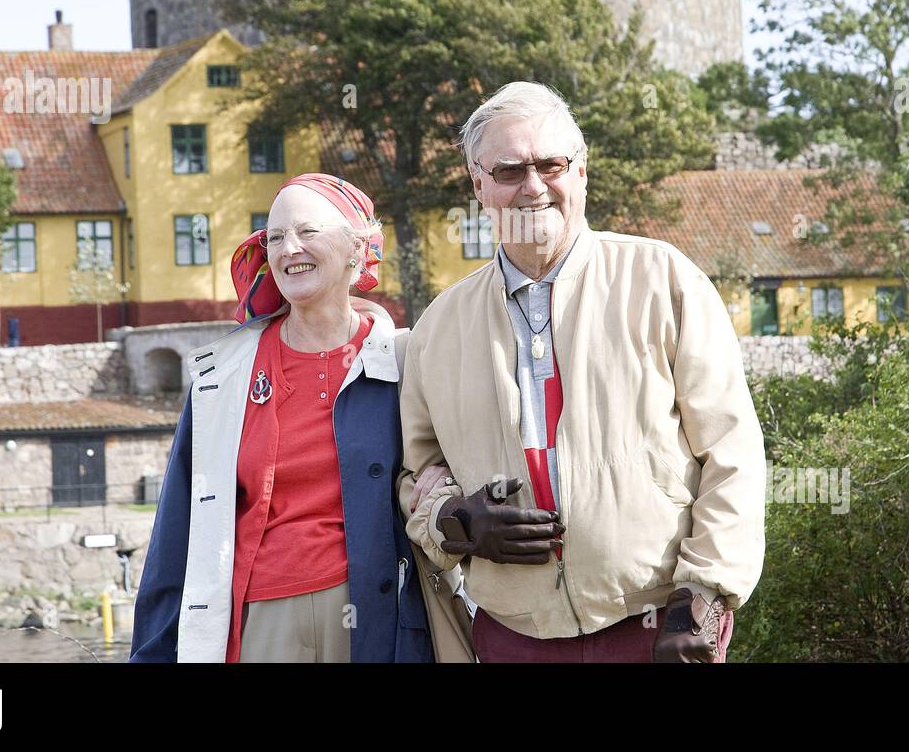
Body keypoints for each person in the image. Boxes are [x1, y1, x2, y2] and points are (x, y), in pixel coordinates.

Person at [399, 82, 766, 663]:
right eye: (509, 170)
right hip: (511, 636)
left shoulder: (664, 280)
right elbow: (416, 474)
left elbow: (732, 451)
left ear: (583, 171)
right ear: (477, 184)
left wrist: (705, 592)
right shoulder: (436, 329)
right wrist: (455, 519)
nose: (533, 186)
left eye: (551, 164)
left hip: (655, 625)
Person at [131, 173, 447, 662]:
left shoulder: (406, 360)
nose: (288, 248)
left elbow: (448, 455)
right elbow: (178, 528)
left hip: (376, 613)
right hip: (260, 619)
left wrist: (445, 470)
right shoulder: (223, 375)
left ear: (356, 249)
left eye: (308, 231)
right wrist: (152, 650)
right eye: (275, 236)